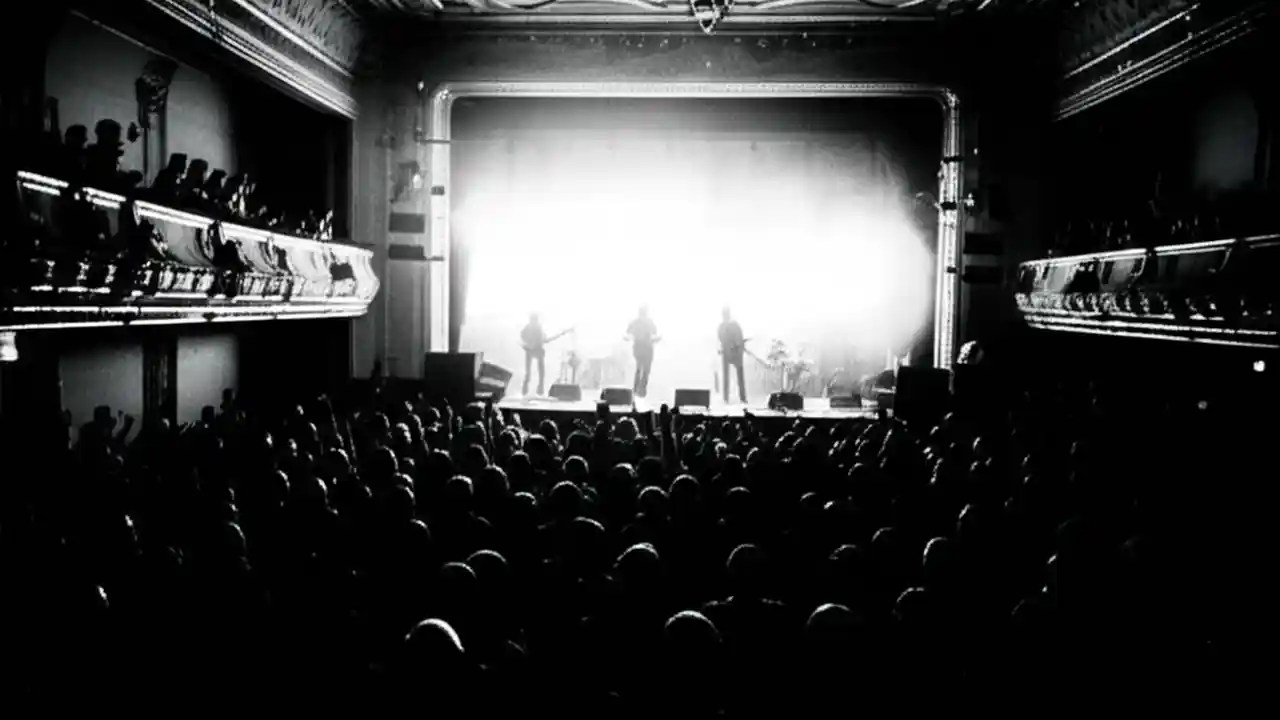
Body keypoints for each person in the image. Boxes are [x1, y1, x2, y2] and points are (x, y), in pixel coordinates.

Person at [626, 305, 659, 398]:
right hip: (647, 348)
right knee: (645, 370)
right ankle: (642, 389)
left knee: (639, 368)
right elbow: (655, 334)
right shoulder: (649, 322)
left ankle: (637, 388)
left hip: (639, 348)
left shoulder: (635, 323)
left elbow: (627, 334)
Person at [717, 307, 748, 404]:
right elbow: (720, 340)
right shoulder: (721, 326)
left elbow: (740, 338)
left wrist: (737, 346)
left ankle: (742, 398)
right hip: (726, 352)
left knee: (740, 377)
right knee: (726, 377)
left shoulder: (734, 325)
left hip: (736, 353)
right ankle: (726, 399)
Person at [520, 314, 547, 397]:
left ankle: (540, 389)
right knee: (528, 372)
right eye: (532, 320)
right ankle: (525, 390)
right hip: (529, 350)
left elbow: (543, 337)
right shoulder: (527, 328)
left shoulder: (539, 328)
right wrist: (527, 344)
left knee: (541, 371)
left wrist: (539, 342)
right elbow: (522, 336)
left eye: (534, 320)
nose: (533, 322)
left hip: (538, 349)